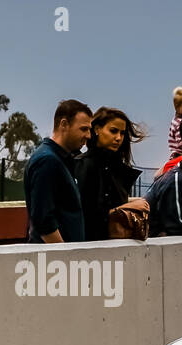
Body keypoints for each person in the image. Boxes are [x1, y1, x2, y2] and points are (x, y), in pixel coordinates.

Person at [25, 99, 91, 243]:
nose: (89, 135)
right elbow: (43, 221)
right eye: (83, 129)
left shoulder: (61, 159)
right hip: (53, 262)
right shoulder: (47, 160)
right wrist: (64, 259)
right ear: (64, 124)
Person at [75, 106, 144, 242]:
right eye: (113, 131)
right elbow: (87, 213)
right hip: (90, 246)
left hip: (118, 245)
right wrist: (127, 209)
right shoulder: (83, 165)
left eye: (122, 133)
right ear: (97, 130)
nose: (118, 138)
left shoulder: (119, 169)